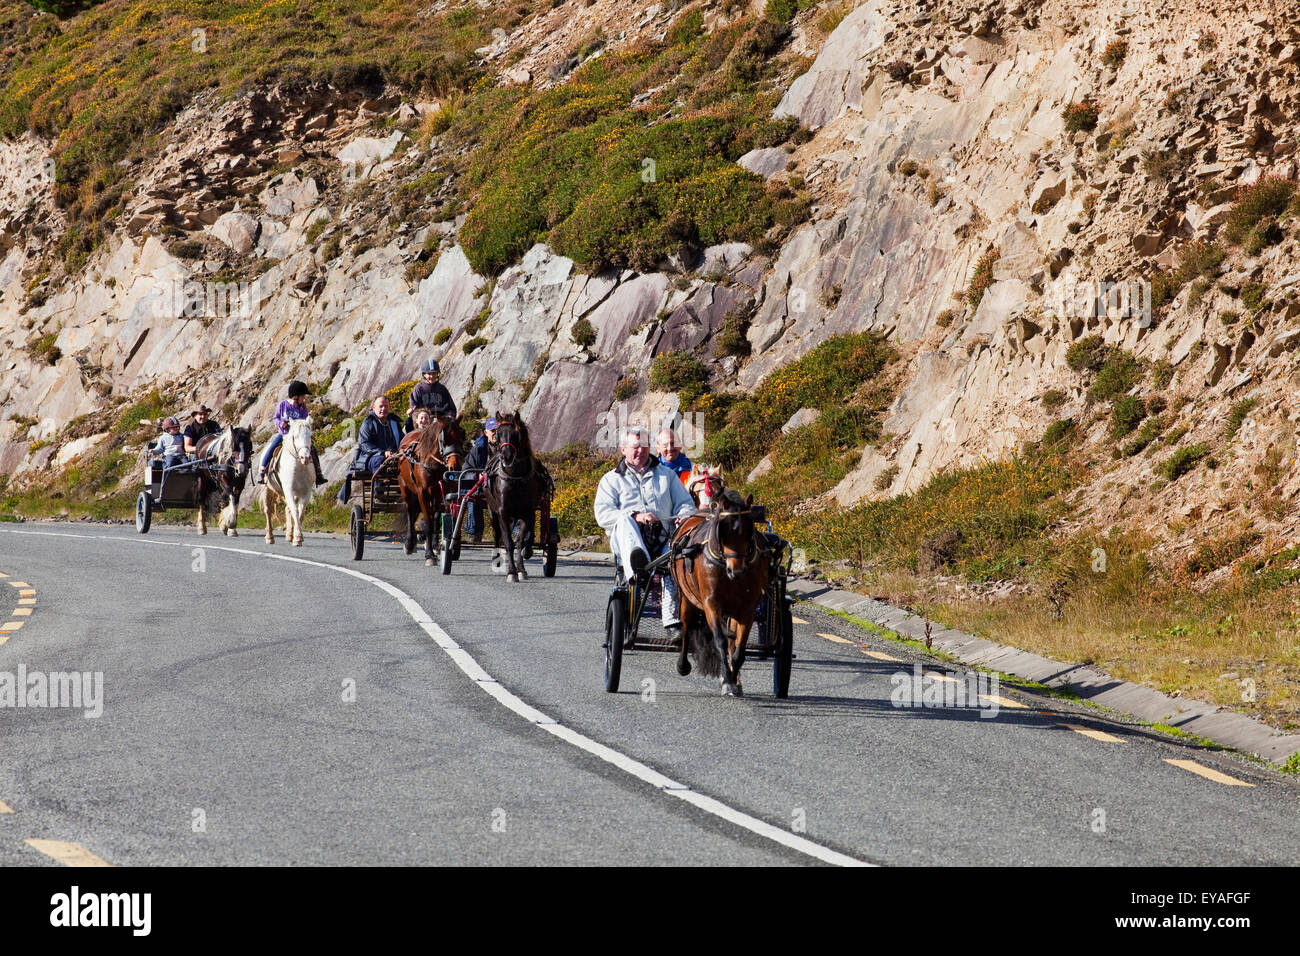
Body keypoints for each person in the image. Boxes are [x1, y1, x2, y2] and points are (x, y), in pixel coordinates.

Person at [594, 427, 696, 637]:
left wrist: (683, 516)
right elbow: (603, 514)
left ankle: (671, 623)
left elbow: (686, 505)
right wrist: (635, 516)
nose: (640, 451)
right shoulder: (611, 480)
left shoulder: (667, 476)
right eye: (635, 447)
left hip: (663, 539)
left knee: (674, 558)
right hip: (626, 541)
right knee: (623, 520)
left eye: (644, 446)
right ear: (624, 449)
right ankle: (637, 567)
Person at [256, 380, 326, 486]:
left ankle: (319, 474)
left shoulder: (302, 408)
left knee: (313, 449)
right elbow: (276, 418)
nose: (304, 398)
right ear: (296, 396)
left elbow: (304, 422)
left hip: (297, 437)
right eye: (303, 396)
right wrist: (281, 424)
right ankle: (261, 471)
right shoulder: (283, 405)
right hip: (285, 435)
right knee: (273, 446)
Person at [337, 395, 404, 504]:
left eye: (386, 406)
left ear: (389, 407)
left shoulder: (394, 423)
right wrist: (382, 452)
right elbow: (364, 444)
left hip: (394, 455)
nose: (383, 409)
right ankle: (379, 493)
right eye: (381, 406)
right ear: (374, 407)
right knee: (379, 461)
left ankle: (404, 492)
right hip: (372, 456)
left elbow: (402, 439)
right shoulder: (368, 422)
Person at [462, 417, 499, 543]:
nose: (495, 433)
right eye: (492, 430)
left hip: (503, 488)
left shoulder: (508, 448)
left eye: (498, 430)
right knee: (472, 495)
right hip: (482, 487)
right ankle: (474, 531)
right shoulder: (477, 449)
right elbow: (465, 471)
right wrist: (476, 476)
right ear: (486, 433)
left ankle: (516, 532)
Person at [405, 359, 456, 432]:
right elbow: (414, 410)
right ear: (424, 375)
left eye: (434, 373)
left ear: (437, 374)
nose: (432, 376)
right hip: (424, 424)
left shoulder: (442, 389)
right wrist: (426, 419)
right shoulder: (418, 389)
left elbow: (451, 409)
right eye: (429, 374)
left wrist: (448, 417)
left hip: (441, 425)